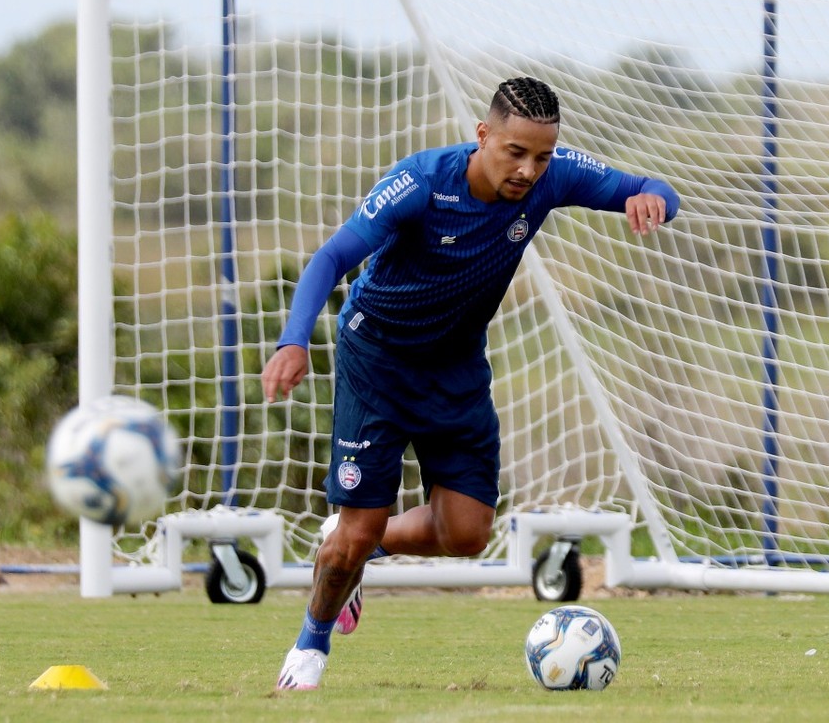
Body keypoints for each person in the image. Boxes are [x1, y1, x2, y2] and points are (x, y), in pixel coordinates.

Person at [265, 76, 680, 690]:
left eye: (541, 156)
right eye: (515, 152)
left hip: (455, 369)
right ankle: (310, 649)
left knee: (466, 534)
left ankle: (357, 545)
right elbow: (330, 259)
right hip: (377, 362)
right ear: (483, 135)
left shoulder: (554, 175)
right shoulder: (421, 183)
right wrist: (293, 339)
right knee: (356, 531)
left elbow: (649, 185)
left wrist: (655, 200)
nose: (529, 170)